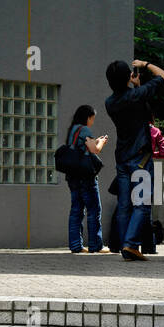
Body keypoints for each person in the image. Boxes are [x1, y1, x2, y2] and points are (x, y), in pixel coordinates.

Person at [105, 58, 164, 261]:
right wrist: (145, 64)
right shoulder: (136, 95)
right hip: (140, 157)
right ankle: (131, 245)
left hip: (122, 158)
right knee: (142, 204)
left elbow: (137, 108)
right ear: (127, 77)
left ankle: (126, 245)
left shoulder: (110, 103)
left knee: (124, 205)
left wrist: (136, 87)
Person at [63, 104, 108, 253]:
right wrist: (101, 142)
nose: (92, 122)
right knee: (94, 210)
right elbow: (94, 150)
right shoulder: (85, 130)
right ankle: (96, 245)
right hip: (85, 176)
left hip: (72, 176)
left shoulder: (72, 131)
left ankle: (76, 246)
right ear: (87, 117)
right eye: (92, 119)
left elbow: (83, 148)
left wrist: (94, 142)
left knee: (76, 210)